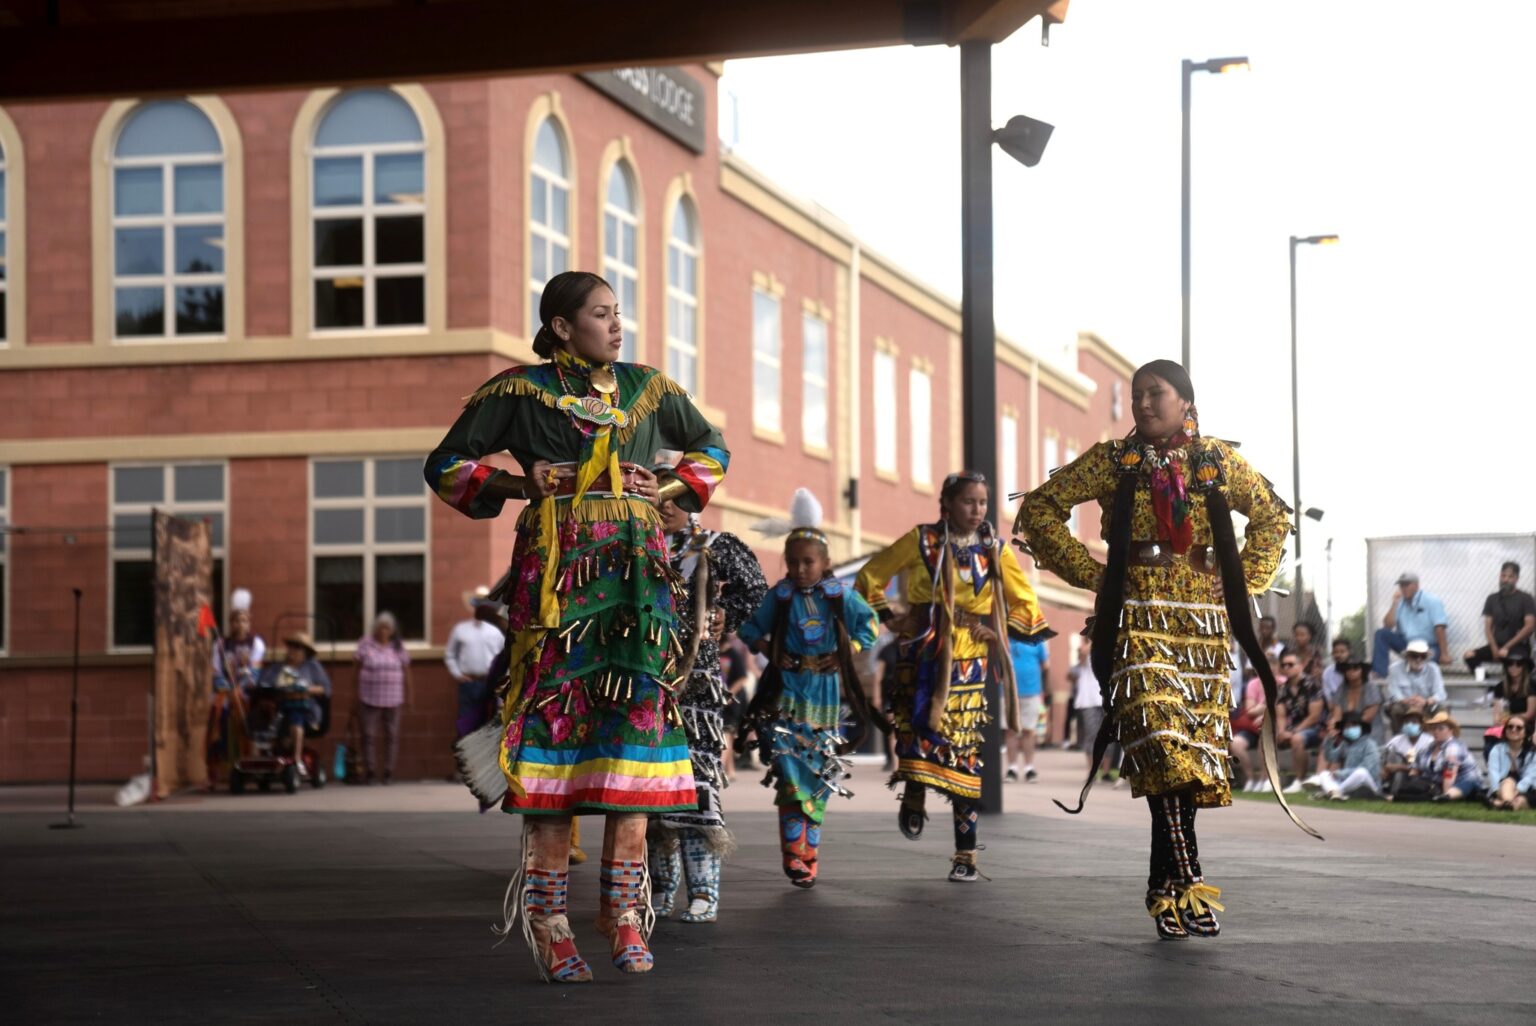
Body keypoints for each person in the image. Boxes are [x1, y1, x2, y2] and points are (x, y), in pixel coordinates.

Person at [424, 269, 728, 983]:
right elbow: (445, 465)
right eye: (601, 314)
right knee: (557, 742)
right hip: (559, 583)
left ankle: (625, 913)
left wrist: (674, 484)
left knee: (636, 743)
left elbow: (712, 448)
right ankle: (550, 921)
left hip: (638, 587)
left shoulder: (649, 388)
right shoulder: (518, 392)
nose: (616, 326)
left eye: (619, 313)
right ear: (562, 327)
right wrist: (514, 483)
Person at [1017, 358, 1301, 941]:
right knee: (1164, 743)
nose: (1143, 404)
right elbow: (1039, 509)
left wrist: (1243, 575)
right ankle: (1191, 879)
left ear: (1185, 402)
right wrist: (1094, 572)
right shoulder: (1114, 460)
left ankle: (1163, 887)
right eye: (1136, 395)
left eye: (1156, 393)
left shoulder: (1216, 460)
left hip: (1200, 628)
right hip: (1139, 617)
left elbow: (1273, 515)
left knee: (1187, 761)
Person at [857, 471, 1052, 883]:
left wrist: (995, 631)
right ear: (947, 504)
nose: (977, 509)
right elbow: (870, 577)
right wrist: (895, 619)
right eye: (969, 502)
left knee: (964, 752)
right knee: (913, 735)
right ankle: (914, 788)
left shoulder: (993, 548)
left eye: (983, 502)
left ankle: (966, 854)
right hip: (923, 652)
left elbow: (1025, 602)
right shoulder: (922, 540)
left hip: (969, 663)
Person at [736, 489, 879, 889]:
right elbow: (749, 629)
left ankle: (808, 857)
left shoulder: (840, 596)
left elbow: (868, 627)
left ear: (826, 563)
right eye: (793, 562)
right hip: (786, 694)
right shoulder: (779, 597)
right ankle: (793, 855)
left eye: (808, 562)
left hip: (825, 694)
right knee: (787, 770)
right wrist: (768, 648)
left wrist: (846, 651)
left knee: (817, 775)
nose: (799, 569)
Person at [648, 496, 767, 923]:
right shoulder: (636, 545)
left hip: (695, 686)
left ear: (694, 501)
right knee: (647, 792)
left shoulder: (714, 546)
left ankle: (703, 892)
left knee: (695, 788)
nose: (664, 506)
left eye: (675, 498)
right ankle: (660, 888)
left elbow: (755, 589)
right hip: (643, 684)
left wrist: (723, 614)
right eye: (655, 496)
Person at [209, 588, 264, 782]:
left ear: (249, 622)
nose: (239, 624)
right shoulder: (220, 645)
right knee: (217, 713)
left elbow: (254, 673)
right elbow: (215, 672)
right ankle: (223, 762)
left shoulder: (256, 643)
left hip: (246, 693)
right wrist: (227, 689)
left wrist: (239, 689)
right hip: (224, 693)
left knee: (247, 716)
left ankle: (248, 760)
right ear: (230, 623)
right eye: (235, 620)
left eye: (243, 620)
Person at [257, 633, 331, 776]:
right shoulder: (279, 667)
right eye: (290, 647)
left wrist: (307, 689)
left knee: (295, 721)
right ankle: (268, 758)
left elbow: (326, 688)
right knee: (264, 719)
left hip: (304, 707)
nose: (292, 651)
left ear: (305, 652)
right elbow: (263, 683)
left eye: (297, 648)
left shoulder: (312, 666)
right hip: (280, 706)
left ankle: (296, 759)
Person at [354, 612, 411, 785]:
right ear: (376, 629)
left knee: (392, 735)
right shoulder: (366, 643)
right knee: (368, 735)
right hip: (369, 696)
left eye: (387, 628)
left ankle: (388, 772)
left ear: (392, 630)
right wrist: (353, 695)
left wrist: (410, 695)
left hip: (394, 697)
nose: (384, 631)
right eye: (381, 627)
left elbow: (407, 671)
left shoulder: (398, 646)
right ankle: (370, 771)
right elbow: (355, 669)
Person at [445, 588, 507, 739]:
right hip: (469, 684)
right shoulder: (461, 629)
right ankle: (464, 761)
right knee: (466, 724)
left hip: (491, 684)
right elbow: (450, 654)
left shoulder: (497, 631)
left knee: (490, 725)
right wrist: (457, 674)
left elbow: (505, 658)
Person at [1372, 572, 1449, 678]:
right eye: (1401, 585)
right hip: (1407, 645)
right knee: (1381, 634)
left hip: (1428, 646)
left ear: (1416, 585)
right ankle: (1380, 673)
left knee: (1421, 667)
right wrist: (1394, 604)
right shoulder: (1400, 603)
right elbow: (1387, 625)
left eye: (1407, 585)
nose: (1404, 588)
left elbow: (1440, 627)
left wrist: (1444, 654)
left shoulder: (1432, 600)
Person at [1463, 562, 1535, 675]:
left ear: (1517, 579)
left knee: (1515, 663)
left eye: (1510, 576)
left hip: (1518, 647)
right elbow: (1488, 627)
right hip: (1497, 645)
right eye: (1503, 575)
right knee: (1469, 656)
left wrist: (1507, 647)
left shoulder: (1526, 598)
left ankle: (1513, 687)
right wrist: (1494, 649)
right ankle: (1489, 682)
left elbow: (1529, 626)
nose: (1506, 580)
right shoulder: (1492, 598)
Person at [1069, 641, 1121, 785]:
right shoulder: (1086, 648)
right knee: (1092, 735)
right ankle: (1092, 771)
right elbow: (1083, 654)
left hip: (1106, 698)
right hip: (1088, 701)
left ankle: (1105, 772)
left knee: (1108, 736)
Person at [1275, 651, 1325, 792]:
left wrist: (1293, 731)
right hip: (1293, 728)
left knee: (1297, 739)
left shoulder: (1312, 685)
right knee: (1264, 737)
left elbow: (1314, 716)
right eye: (1283, 665)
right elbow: (1281, 715)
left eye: (1290, 664)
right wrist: (1282, 731)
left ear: (1300, 666)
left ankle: (1299, 781)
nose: (1286, 668)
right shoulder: (1282, 689)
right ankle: (1267, 780)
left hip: (1315, 728)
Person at [1304, 711, 1382, 800]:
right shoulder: (1345, 744)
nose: (1350, 729)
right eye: (1347, 727)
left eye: (1353, 726)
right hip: (1348, 782)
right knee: (1324, 774)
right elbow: (1331, 758)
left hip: (1370, 783)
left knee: (1361, 772)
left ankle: (1331, 792)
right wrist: (1329, 740)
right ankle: (1335, 793)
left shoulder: (1370, 744)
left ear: (1361, 727)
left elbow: (1368, 769)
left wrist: (1339, 773)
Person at [1006, 635, 1048, 782]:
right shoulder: (1006, 637)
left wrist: (1043, 690)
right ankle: (1012, 768)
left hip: (1032, 691)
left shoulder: (1037, 639)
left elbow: (1045, 665)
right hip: (1009, 692)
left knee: (1029, 730)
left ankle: (1029, 768)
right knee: (1011, 730)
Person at [1416, 711, 1482, 801]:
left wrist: (1445, 792)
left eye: (1440, 729)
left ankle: (1446, 797)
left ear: (1450, 731)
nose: (1436, 731)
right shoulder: (1426, 748)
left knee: (1467, 782)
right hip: (1438, 782)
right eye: (1434, 728)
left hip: (1463, 780)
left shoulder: (1453, 747)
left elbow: (1449, 773)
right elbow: (1416, 770)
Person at [1483, 648, 1535, 762]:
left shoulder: (1532, 686)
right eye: (1509, 663)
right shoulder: (1500, 687)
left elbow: (1529, 714)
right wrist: (1498, 719)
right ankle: (1497, 772)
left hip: (1526, 725)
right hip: (1506, 726)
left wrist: (1510, 719)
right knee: (1490, 742)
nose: (1514, 667)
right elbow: (1497, 714)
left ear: (1524, 666)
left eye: (1519, 664)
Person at [1385, 639, 1447, 731]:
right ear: (1407, 656)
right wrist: (1406, 701)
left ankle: (1435, 740)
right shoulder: (1394, 668)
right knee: (1396, 709)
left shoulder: (1434, 668)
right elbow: (1393, 693)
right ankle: (1399, 739)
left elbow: (1440, 693)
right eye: (1414, 656)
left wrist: (1426, 701)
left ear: (1426, 657)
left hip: (1426, 704)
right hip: (1404, 705)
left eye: (1422, 656)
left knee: (1441, 709)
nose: (1418, 659)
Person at [1230, 657, 1272, 793]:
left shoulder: (1281, 683)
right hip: (1251, 728)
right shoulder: (1253, 684)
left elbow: (1278, 708)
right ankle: (1250, 779)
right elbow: (1250, 710)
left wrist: (1261, 711)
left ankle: (1265, 779)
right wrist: (1264, 705)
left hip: (1271, 726)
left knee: (1265, 733)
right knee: (1235, 743)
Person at [718, 635, 753, 781]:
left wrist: (729, 693)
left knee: (726, 733)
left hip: (733, 703)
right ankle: (730, 770)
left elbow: (743, 678)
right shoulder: (711, 653)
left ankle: (718, 767)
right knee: (728, 736)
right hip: (716, 700)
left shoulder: (733, 654)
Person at [1381, 709, 1434, 800]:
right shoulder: (1397, 740)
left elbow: (1426, 767)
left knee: (1401, 768)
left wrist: (1400, 767)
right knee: (1393, 754)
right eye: (1407, 722)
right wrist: (1386, 767)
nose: (1410, 725)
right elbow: (1385, 758)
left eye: (1414, 722)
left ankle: (1395, 792)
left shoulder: (1429, 741)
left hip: (1420, 775)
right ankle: (1387, 787)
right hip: (1396, 774)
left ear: (1421, 725)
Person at [1323, 655, 1382, 735]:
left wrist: (1344, 727)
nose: (1351, 671)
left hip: (1369, 732)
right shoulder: (1341, 689)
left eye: (1355, 667)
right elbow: (1337, 714)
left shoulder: (1371, 688)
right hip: (1346, 731)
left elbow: (1368, 717)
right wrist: (1333, 725)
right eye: (1347, 668)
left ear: (1362, 670)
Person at [1485, 718, 1536, 811]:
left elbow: (1530, 777)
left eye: (1519, 728)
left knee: (1521, 800)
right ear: (1505, 730)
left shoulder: (1532, 753)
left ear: (1526, 732)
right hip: (1501, 788)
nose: (1513, 730)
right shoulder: (1497, 749)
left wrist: (1517, 791)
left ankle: (1500, 804)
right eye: (1510, 727)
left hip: (1527, 789)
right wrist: (1497, 791)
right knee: (1508, 782)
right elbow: (1493, 773)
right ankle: (1507, 803)